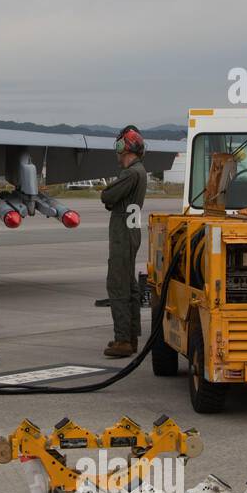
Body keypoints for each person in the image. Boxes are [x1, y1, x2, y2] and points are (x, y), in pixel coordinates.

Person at [101, 126, 148, 357]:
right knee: (129, 286)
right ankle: (131, 336)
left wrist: (109, 197)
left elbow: (107, 196)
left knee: (118, 284)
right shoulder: (140, 171)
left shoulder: (130, 173)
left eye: (120, 147)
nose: (118, 154)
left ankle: (123, 340)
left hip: (122, 233)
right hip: (131, 232)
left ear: (125, 148)